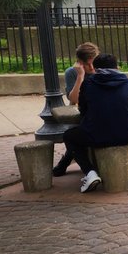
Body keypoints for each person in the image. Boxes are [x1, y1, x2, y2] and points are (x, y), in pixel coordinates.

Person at [61, 53, 128, 193]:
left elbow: (83, 110)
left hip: (94, 136)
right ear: (117, 67)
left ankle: (90, 173)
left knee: (69, 136)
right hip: (126, 134)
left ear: (95, 68)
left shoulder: (88, 84)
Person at [52, 41, 99, 176]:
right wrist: (80, 76)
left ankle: (64, 163)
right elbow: (74, 99)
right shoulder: (72, 73)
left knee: (74, 138)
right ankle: (69, 164)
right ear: (79, 62)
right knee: (73, 134)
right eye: (87, 64)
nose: (91, 67)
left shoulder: (101, 68)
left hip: (97, 112)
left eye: (93, 62)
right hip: (81, 111)